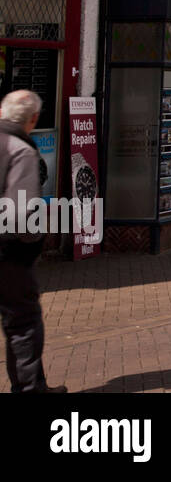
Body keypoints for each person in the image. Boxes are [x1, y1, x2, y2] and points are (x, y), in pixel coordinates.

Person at [0, 90, 64, 392]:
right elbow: (22, 213)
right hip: (7, 254)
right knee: (23, 324)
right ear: (34, 119)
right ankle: (29, 390)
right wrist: (31, 246)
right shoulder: (21, 151)